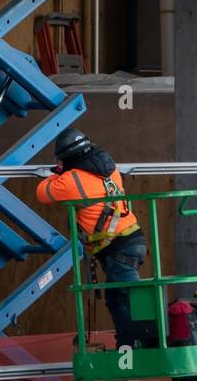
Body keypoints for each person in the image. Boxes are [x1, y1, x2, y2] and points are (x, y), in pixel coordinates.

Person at [36, 128, 146, 348]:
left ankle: (141, 342)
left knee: (132, 296)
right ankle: (130, 342)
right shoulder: (110, 169)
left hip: (117, 247)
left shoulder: (71, 180)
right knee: (118, 298)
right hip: (133, 239)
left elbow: (42, 192)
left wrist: (58, 174)